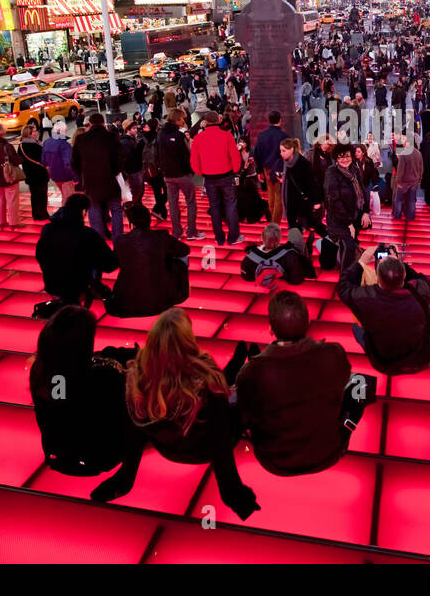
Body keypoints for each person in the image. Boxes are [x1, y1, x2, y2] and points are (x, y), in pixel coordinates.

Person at [122, 309, 260, 519]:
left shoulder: (138, 380)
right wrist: (235, 496)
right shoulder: (204, 382)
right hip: (203, 448)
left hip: (169, 449)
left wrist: (124, 479)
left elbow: (133, 434)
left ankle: (235, 365)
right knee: (237, 393)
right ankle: (245, 368)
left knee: (219, 386)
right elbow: (220, 443)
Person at [235, 290, 369, 476]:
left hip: (275, 460)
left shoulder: (250, 372)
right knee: (359, 382)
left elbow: (244, 415)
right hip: (328, 452)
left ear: (271, 329)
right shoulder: (334, 354)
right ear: (308, 323)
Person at [29, 305, 143, 500]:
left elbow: (62, 401)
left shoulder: (45, 372)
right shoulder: (103, 378)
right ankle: (126, 479)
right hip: (96, 457)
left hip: (60, 453)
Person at [336, 245, 430, 375]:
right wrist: (399, 263)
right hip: (419, 358)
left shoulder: (366, 299)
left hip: (384, 363)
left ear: (378, 278)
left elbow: (343, 287)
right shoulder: (420, 291)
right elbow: (422, 279)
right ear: (404, 275)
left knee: (356, 327)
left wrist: (361, 262)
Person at [34, 193, 119, 312]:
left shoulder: (48, 229)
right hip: (77, 285)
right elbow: (110, 264)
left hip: (51, 282)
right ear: (84, 211)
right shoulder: (87, 234)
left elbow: (40, 255)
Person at [107, 203, 191, 317]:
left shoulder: (121, 241)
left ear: (131, 223)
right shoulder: (161, 236)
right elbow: (185, 250)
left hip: (128, 299)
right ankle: (178, 288)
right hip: (161, 299)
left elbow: (111, 265)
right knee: (182, 258)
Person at [191, 110, 242, 246]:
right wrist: (235, 170)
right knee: (230, 205)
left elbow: (194, 161)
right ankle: (233, 237)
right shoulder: (227, 136)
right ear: (218, 121)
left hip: (209, 177)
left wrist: (202, 172)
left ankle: (219, 237)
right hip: (227, 175)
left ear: (205, 122)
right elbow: (235, 156)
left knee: (214, 207)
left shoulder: (198, 138)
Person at [72, 112, 124, 241]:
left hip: (90, 182)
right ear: (103, 123)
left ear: (90, 124)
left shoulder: (81, 139)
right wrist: (115, 172)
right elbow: (120, 159)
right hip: (110, 180)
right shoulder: (111, 137)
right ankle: (118, 240)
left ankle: (98, 242)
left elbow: (74, 163)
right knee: (116, 209)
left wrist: (83, 175)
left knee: (94, 210)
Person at [158, 108, 204, 241]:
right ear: (177, 119)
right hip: (182, 174)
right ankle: (191, 232)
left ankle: (176, 232)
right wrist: (191, 171)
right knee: (191, 202)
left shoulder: (160, 134)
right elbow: (187, 155)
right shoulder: (179, 136)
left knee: (173, 203)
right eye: (182, 118)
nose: (184, 120)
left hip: (168, 175)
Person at [323, 143, 369, 271]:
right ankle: (345, 277)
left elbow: (363, 191)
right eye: (341, 157)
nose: (345, 159)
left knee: (352, 245)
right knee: (348, 246)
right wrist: (348, 223)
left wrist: (365, 212)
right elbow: (334, 202)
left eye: (347, 156)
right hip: (339, 220)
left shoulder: (354, 169)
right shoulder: (332, 172)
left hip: (354, 215)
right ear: (336, 158)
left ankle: (351, 270)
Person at [280, 137, 324, 242]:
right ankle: (296, 246)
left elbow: (311, 183)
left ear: (292, 149)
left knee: (315, 224)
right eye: (280, 151)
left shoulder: (303, 163)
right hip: (291, 201)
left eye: (283, 151)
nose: (281, 153)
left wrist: (316, 201)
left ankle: (333, 242)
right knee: (294, 227)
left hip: (303, 202)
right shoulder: (287, 162)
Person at [240, 222, 311, 288]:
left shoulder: (251, 255)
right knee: (295, 234)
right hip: (283, 287)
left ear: (262, 238)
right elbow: (297, 279)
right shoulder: (290, 254)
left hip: (260, 286)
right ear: (279, 238)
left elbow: (247, 277)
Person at [253, 110, 288, 223]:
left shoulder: (262, 135)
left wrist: (259, 171)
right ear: (280, 120)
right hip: (279, 169)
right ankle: (274, 222)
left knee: (271, 193)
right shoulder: (284, 136)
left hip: (266, 168)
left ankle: (272, 218)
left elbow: (257, 154)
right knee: (279, 195)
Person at [17, 123, 50, 220]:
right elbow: (44, 159)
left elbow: (20, 159)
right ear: (29, 134)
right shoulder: (36, 146)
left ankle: (36, 214)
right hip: (40, 174)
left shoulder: (21, 146)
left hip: (29, 174)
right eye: (34, 131)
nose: (37, 132)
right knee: (42, 195)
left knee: (34, 195)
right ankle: (43, 214)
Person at [44, 118, 78, 206]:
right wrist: (75, 178)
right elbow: (68, 163)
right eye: (65, 131)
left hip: (54, 175)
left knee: (65, 196)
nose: (66, 132)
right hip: (65, 177)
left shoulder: (47, 142)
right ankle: (67, 214)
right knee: (69, 200)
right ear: (59, 131)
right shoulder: (65, 145)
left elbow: (44, 160)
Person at [391, 134, 423, 221]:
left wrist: (398, 181)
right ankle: (410, 216)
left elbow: (400, 169)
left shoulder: (404, 153)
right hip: (415, 180)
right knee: (411, 200)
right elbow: (421, 168)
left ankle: (397, 216)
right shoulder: (418, 153)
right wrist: (419, 179)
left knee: (398, 199)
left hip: (404, 181)